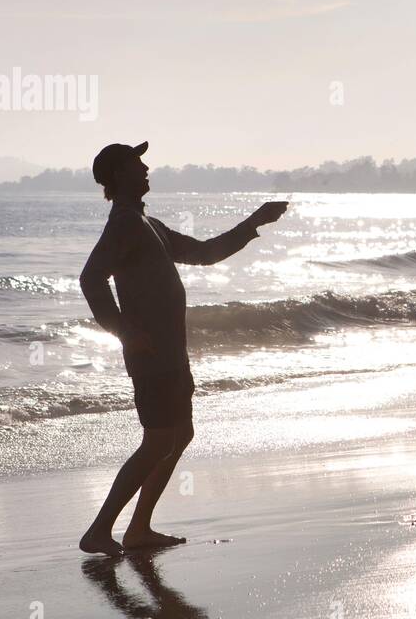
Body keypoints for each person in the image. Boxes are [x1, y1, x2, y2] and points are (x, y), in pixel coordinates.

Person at [77, 141, 287, 554]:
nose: (146, 166)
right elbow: (91, 279)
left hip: (172, 353)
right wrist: (124, 331)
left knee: (180, 434)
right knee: (158, 441)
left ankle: (139, 528)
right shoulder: (123, 223)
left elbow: (205, 253)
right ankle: (98, 531)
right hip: (151, 356)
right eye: (138, 162)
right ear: (120, 174)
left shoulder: (147, 223)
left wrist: (254, 223)